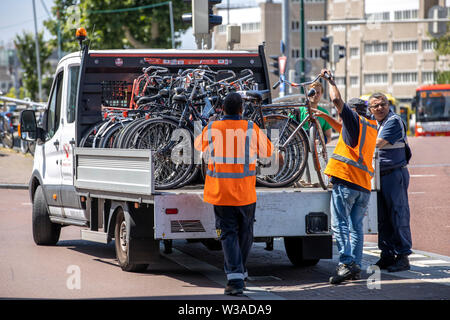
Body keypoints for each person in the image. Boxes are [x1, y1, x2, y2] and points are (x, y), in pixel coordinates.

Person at [194, 92, 274, 295]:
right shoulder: (250, 128)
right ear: (241, 109)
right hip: (245, 193)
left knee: (228, 234)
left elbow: (196, 147)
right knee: (245, 234)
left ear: (222, 109)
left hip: (220, 193)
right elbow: (268, 154)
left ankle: (236, 278)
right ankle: (239, 272)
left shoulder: (213, 127)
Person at [321, 70, 378, 285]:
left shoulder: (354, 119)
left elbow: (336, 99)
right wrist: (325, 117)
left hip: (346, 181)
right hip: (363, 185)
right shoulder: (369, 126)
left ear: (353, 112)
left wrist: (331, 81)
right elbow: (344, 129)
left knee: (340, 224)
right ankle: (355, 265)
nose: (341, 116)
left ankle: (345, 264)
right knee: (356, 227)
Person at [369, 92, 412, 272]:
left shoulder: (393, 121)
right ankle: (387, 255)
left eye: (383, 104)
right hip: (380, 174)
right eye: (376, 106)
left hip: (394, 174)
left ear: (388, 105)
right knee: (382, 218)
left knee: (398, 214)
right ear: (371, 109)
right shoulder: (374, 122)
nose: (380, 108)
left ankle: (403, 256)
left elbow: (377, 143)